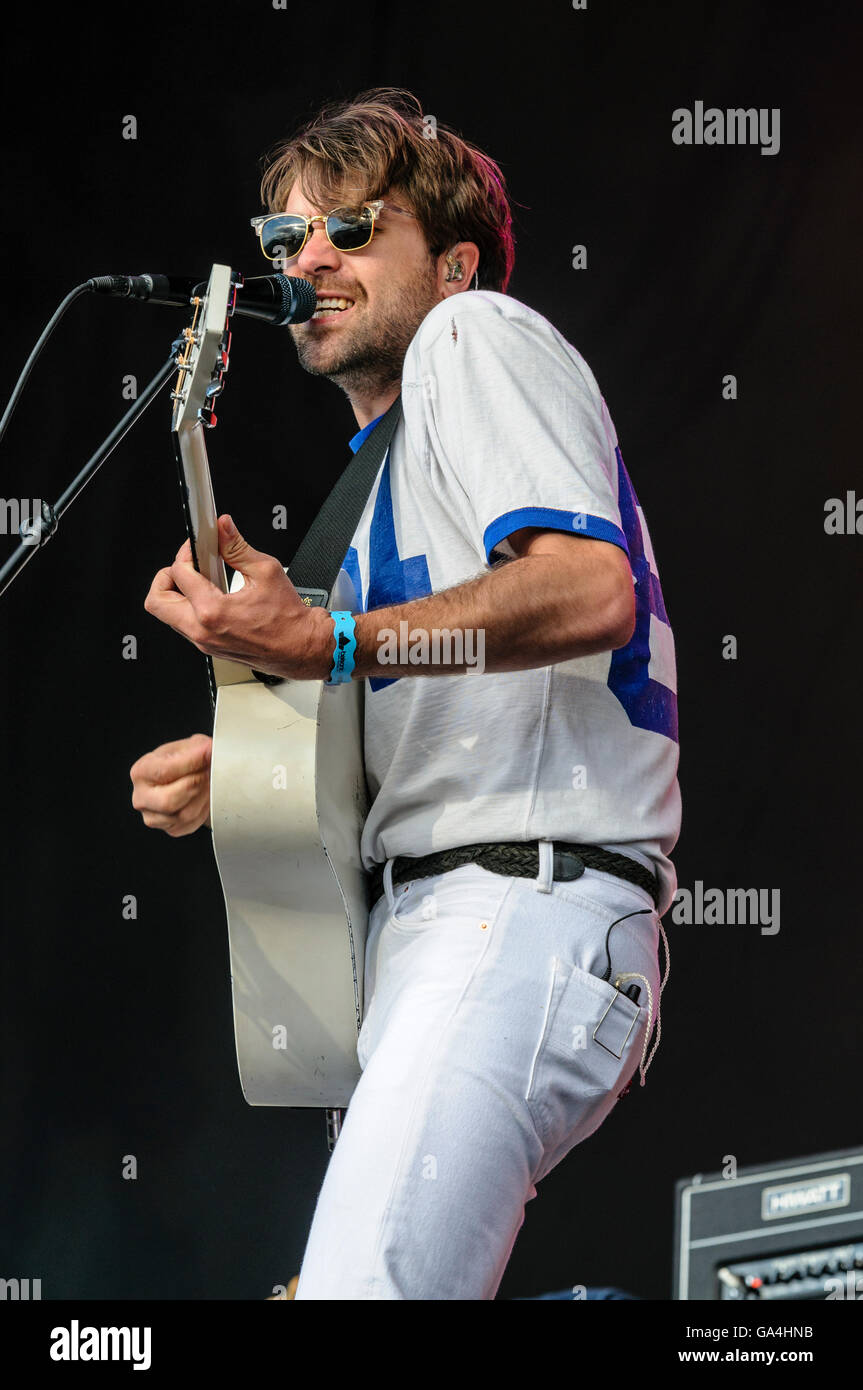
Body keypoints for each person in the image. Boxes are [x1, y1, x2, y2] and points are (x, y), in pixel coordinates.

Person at [129, 87, 681, 1300]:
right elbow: (436, 690)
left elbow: (589, 594)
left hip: (512, 902)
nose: (306, 260)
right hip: (445, 925)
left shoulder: (472, 339)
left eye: (351, 228)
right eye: (285, 243)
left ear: (455, 262)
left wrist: (328, 642)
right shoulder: (384, 482)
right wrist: (263, 771)